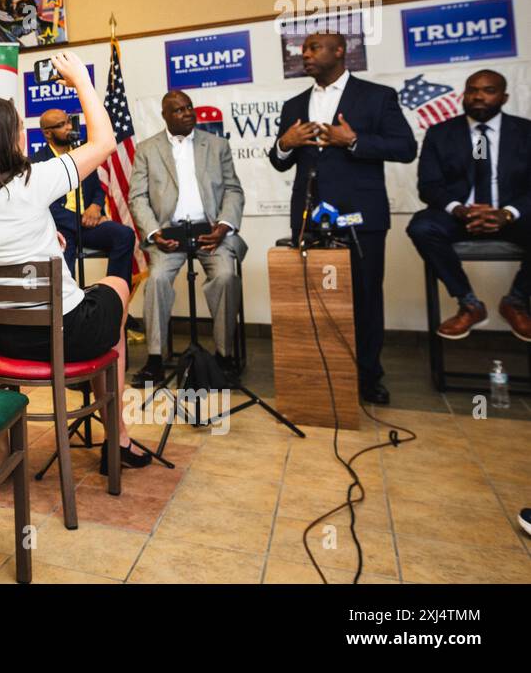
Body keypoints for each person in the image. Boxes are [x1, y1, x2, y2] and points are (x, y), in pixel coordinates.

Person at [0, 52, 150, 474]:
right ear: (9, 140)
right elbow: (105, 144)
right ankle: (120, 434)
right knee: (116, 289)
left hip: (4, 338)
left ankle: (115, 421)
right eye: (20, 130)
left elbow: (2, 244)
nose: (24, 137)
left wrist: (45, 237)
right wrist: (80, 81)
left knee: (102, 315)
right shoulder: (32, 181)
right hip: (62, 333)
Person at [269, 30, 417, 405]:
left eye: (314, 48)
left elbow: (405, 148)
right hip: (307, 218)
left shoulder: (376, 97)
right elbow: (279, 161)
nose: (305, 55)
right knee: (313, 299)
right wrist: (285, 144)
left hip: (360, 218)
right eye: (303, 49)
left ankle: (367, 376)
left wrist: (352, 141)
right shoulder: (294, 104)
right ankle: (320, 372)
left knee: (364, 298)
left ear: (340, 51)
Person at [129, 90, 246, 385]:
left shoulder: (217, 145)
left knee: (225, 277)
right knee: (155, 280)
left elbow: (233, 189)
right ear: (165, 116)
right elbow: (138, 198)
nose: (188, 113)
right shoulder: (146, 149)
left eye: (189, 107)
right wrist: (154, 233)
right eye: (179, 110)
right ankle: (155, 359)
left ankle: (224, 357)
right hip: (169, 235)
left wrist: (223, 226)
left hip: (211, 232)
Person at [406, 69, 531, 341]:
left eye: (488, 90)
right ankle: (469, 303)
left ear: (504, 96)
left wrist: (507, 214)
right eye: (472, 90)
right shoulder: (440, 134)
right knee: (421, 226)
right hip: (461, 216)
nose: (478, 97)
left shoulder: (526, 132)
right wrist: (459, 209)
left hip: (511, 216)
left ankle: (517, 301)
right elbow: (429, 186)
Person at [30, 106, 135, 284]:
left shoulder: (82, 153)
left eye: (69, 121)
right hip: (60, 229)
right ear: (48, 133)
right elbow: (47, 206)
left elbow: (97, 188)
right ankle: (69, 309)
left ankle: (116, 294)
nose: (70, 127)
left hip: (88, 223)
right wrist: (84, 219)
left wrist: (95, 207)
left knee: (124, 235)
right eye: (62, 124)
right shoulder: (37, 162)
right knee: (65, 272)